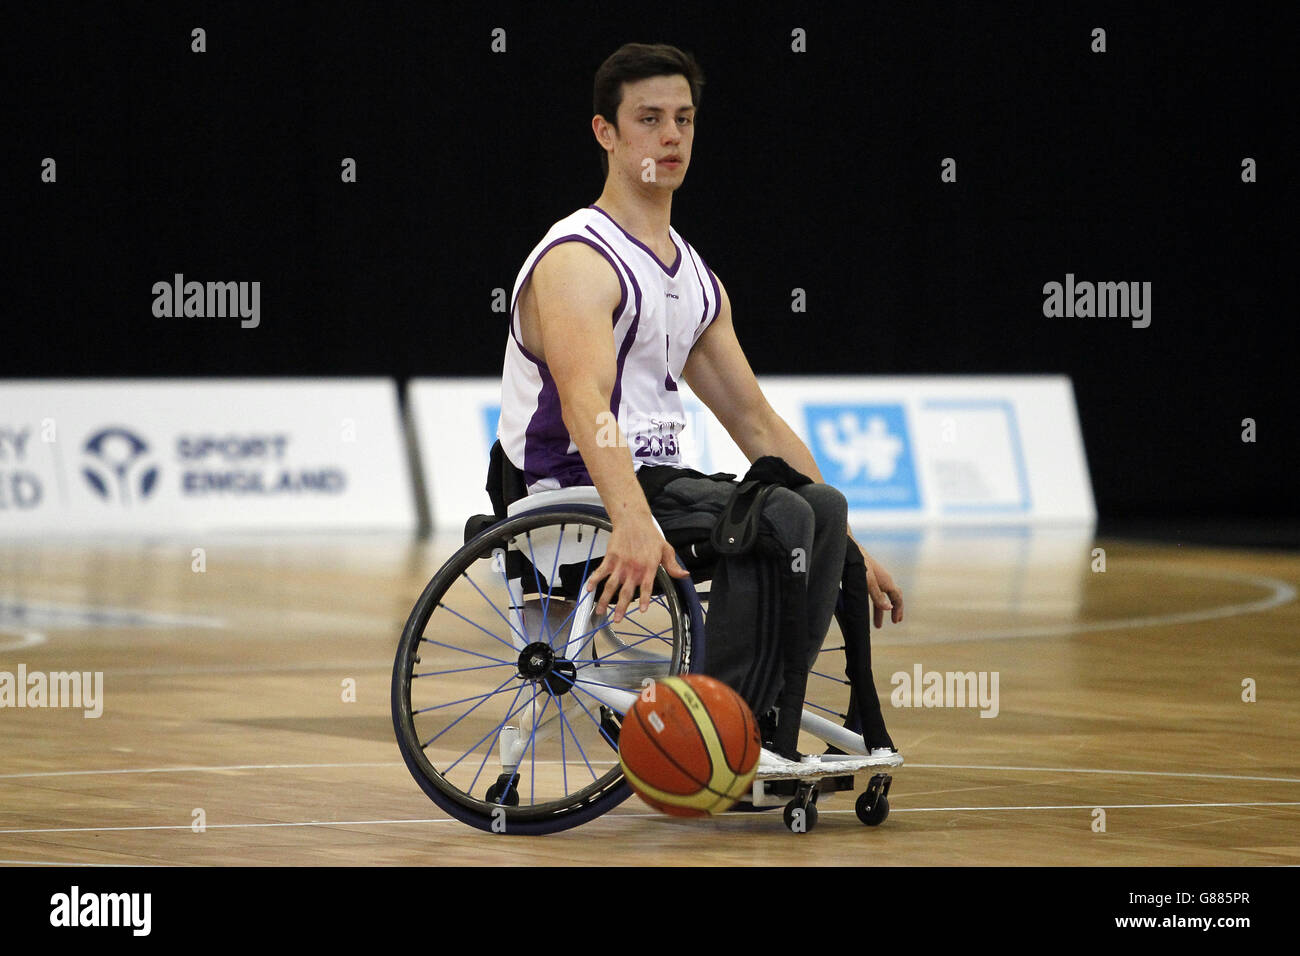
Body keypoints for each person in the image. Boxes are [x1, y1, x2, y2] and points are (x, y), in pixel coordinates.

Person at [497, 42, 903, 750]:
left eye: (683, 119)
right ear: (607, 134)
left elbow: (755, 420)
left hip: (656, 484)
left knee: (820, 507)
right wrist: (629, 520)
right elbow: (584, 400)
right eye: (649, 119)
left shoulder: (693, 275)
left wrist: (850, 548)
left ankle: (762, 709)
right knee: (773, 517)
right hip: (566, 484)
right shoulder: (577, 258)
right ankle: (716, 729)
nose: (671, 136)